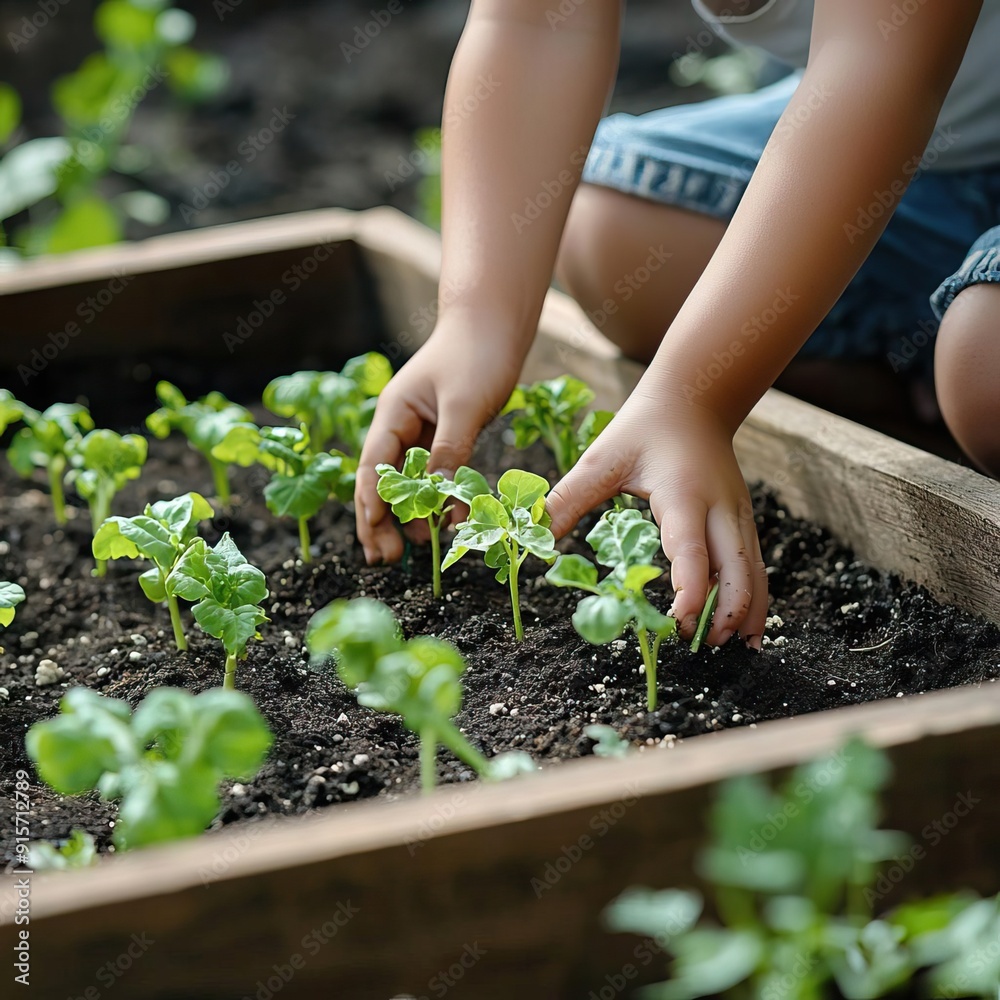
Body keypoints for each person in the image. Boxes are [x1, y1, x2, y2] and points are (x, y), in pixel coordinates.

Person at [356, 0, 1000, 650]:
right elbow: (533, 23)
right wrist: (477, 319)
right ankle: (920, 358)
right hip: (915, 160)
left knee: (987, 368)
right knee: (613, 239)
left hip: (886, 102)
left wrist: (694, 398)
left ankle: (949, 354)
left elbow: (881, 65)